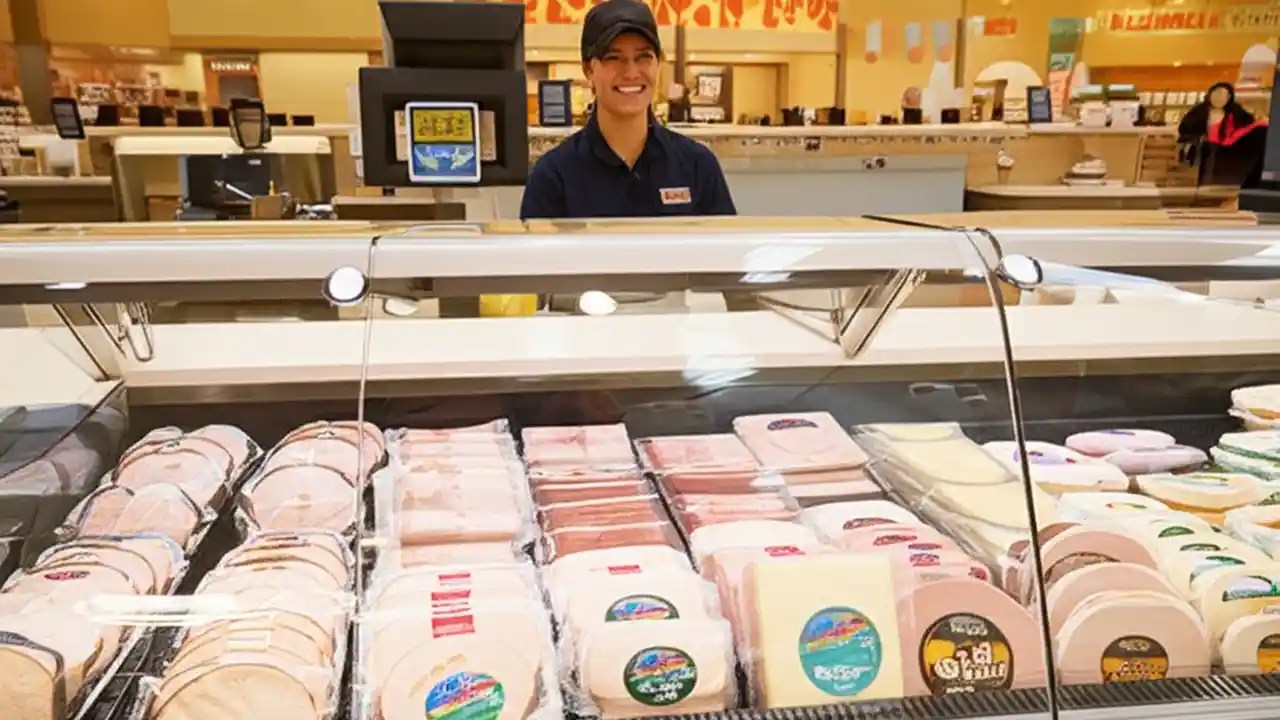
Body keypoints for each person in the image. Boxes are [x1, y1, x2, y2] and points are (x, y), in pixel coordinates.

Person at [520, 0, 737, 220]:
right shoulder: (554, 175)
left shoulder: (697, 165)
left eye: (643, 57)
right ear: (588, 69)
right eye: (613, 58)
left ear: (657, 64)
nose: (631, 72)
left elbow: (725, 251)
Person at [1178, 81, 1269, 186]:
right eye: (1216, 94)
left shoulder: (1235, 111)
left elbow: (1248, 124)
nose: (1219, 98)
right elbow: (1186, 129)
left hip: (1230, 149)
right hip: (1205, 149)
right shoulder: (1199, 111)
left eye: (1223, 95)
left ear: (1229, 98)